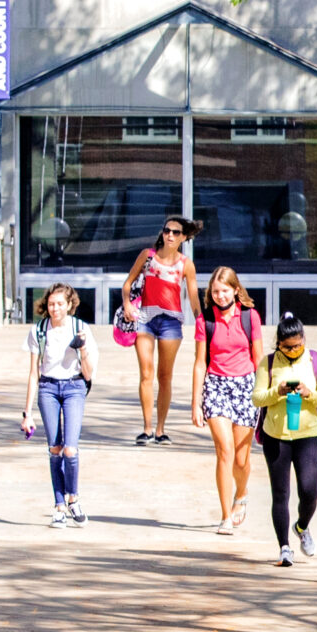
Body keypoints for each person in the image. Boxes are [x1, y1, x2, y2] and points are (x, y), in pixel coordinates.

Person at [251, 312, 317, 566]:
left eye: (298, 345)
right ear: (279, 344)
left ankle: (302, 526)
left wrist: (309, 393)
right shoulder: (269, 363)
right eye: (288, 347)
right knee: (280, 493)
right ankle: (284, 547)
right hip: (276, 435)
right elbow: (257, 398)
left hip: (307, 434)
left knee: (309, 492)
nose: (294, 350)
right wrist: (278, 391)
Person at [190, 267, 261, 534]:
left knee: (241, 460)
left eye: (225, 290)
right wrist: (196, 402)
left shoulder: (249, 317)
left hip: (245, 386)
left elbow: (258, 359)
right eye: (215, 291)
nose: (220, 296)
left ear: (235, 290)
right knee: (224, 450)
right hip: (216, 386)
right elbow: (199, 363)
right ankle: (225, 517)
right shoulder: (205, 321)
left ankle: (240, 496)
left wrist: (263, 395)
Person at [19, 283, 94, 527]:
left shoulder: (80, 329)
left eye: (60, 303)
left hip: (74, 388)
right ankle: (59, 505)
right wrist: (27, 413)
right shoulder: (39, 331)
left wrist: (82, 349)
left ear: (70, 304)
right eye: (51, 304)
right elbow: (33, 373)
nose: (55, 308)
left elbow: (89, 373)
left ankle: (74, 499)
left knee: (70, 449)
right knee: (55, 448)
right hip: (48, 389)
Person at [120, 216, 198, 445]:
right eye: (167, 231)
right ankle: (146, 428)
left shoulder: (186, 264)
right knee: (146, 373)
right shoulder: (148, 256)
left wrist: (201, 321)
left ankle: (161, 429)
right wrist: (126, 304)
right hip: (144, 318)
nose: (170, 235)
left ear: (184, 237)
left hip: (171, 322)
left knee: (165, 376)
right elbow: (128, 283)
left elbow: (193, 296)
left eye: (175, 232)